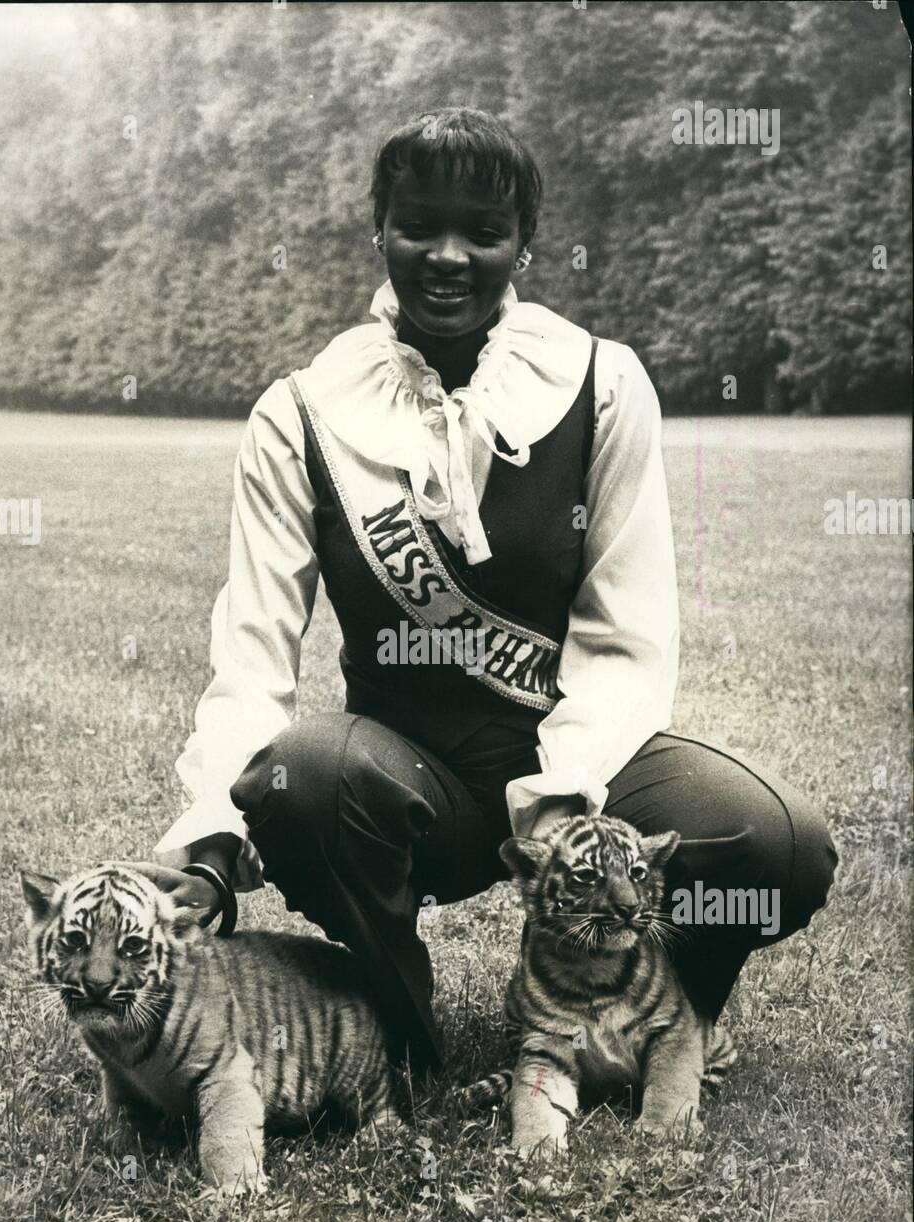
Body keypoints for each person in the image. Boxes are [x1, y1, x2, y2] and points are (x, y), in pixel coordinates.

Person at [139, 108, 837, 1075]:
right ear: (378, 228)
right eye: (419, 225)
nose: (449, 256)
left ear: (527, 245)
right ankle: (396, 1039)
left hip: (585, 768)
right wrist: (214, 835)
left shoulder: (601, 383)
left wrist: (565, 805)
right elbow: (251, 654)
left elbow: (627, 636)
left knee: (780, 846)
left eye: (485, 231)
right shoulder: (300, 411)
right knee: (299, 775)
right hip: (406, 778)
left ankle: (653, 1027)